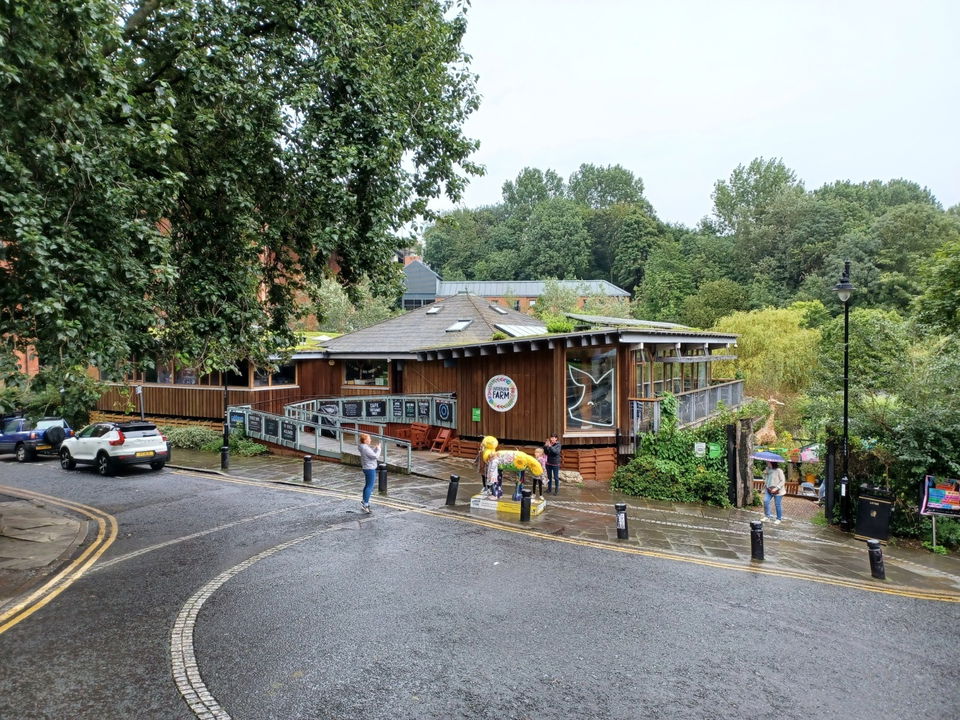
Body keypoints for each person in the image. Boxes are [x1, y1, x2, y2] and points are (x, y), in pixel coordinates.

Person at [357, 432, 380, 513]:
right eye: (369, 438)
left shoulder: (363, 447)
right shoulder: (366, 448)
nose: (370, 440)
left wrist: (375, 449)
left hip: (366, 468)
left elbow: (370, 454)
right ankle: (365, 504)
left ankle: (364, 501)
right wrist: (379, 449)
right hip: (370, 469)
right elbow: (375, 456)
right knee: (370, 487)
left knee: (367, 485)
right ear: (365, 440)